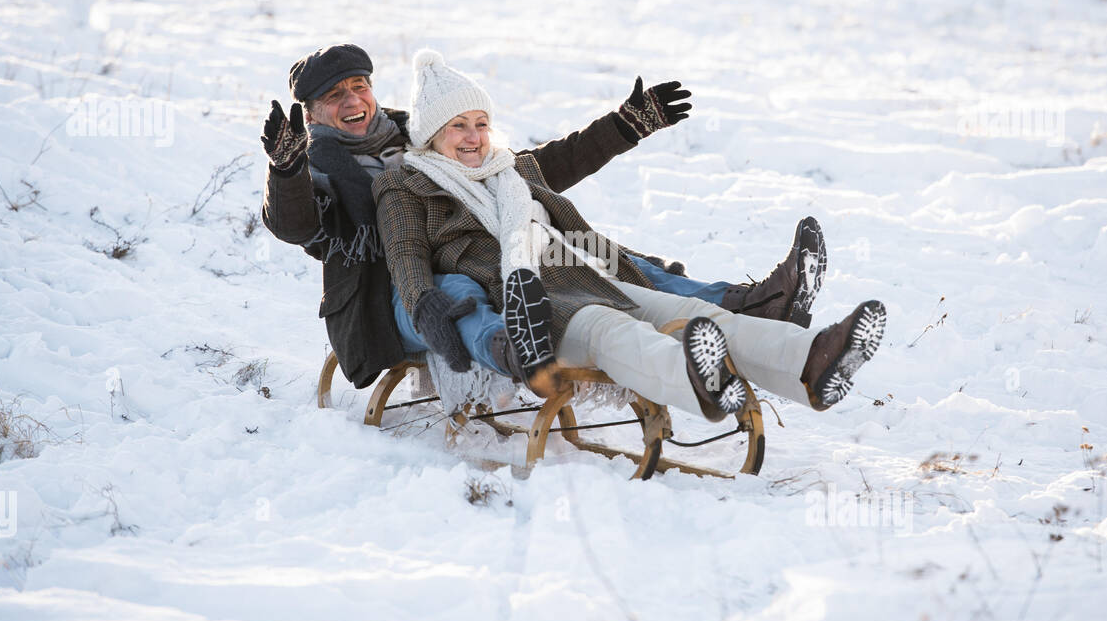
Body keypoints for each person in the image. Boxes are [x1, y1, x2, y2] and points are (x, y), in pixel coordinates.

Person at [261, 43, 829, 392]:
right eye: (334, 96)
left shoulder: (425, 130)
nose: (353, 100)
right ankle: (515, 348)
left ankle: (748, 303)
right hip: (397, 294)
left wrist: (623, 126)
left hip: (482, 252)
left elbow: (530, 169)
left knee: (599, 255)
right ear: (313, 115)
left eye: (359, 86)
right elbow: (297, 225)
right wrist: (286, 173)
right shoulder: (319, 168)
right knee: (459, 291)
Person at [374, 50, 886, 417]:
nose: (473, 137)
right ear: (431, 136)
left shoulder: (511, 169)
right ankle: (699, 383)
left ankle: (812, 360)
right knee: (611, 332)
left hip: (586, 273)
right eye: (458, 126)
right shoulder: (407, 186)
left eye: (481, 122)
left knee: (693, 314)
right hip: (527, 303)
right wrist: (422, 303)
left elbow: (571, 154)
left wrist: (627, 124)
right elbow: (404, 254)